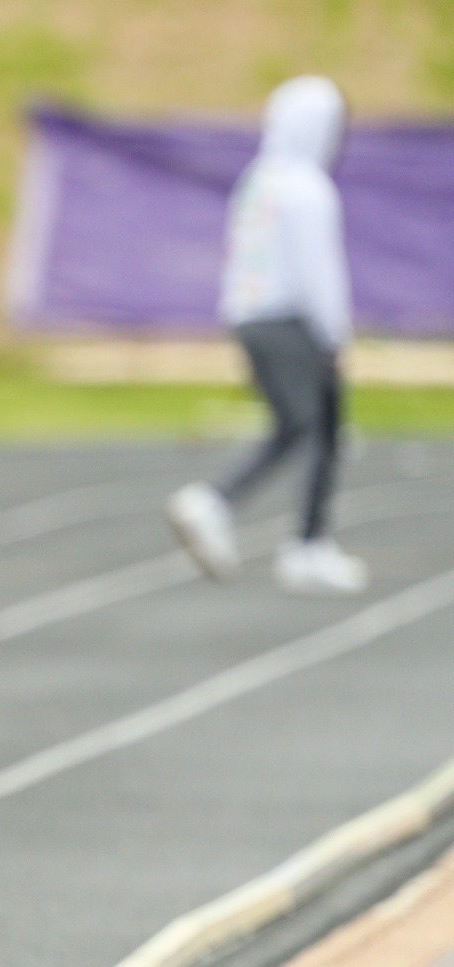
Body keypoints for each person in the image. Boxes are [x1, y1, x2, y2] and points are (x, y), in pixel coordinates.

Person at [166, 75, 363, 596]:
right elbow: (319, 272)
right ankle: (245, 515)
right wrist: (335, 335)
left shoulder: (259, 179)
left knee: (308, 427)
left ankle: (300, 539)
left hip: (250, 315)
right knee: (311, 427)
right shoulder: (307, 188)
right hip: (289, 319)